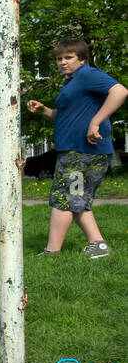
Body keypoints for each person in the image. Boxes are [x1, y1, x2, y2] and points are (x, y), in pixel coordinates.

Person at [27, 39, 127, 259]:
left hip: (82, 151)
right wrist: (44, 110)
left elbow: (120, 91)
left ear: (82, 58)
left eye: (68, 57)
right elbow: (62, 116)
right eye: (59, 59)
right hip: (75, 150)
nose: (62, 62)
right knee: (76, 198)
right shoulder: (71, 83)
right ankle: (98, 245)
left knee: (64, 199)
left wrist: (96, 122)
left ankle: (52, 252)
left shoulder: (87, 75)